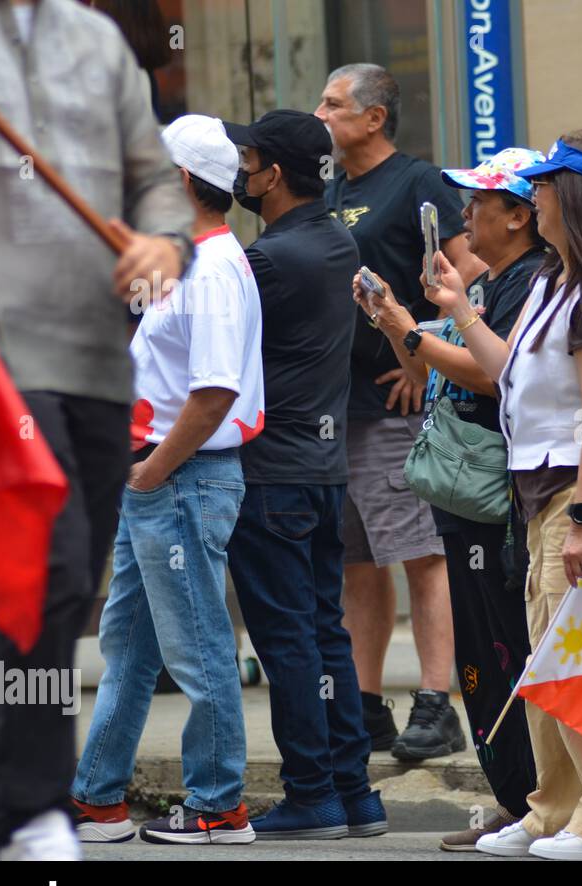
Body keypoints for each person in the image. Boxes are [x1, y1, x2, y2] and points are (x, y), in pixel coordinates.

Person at [0, 0, 192, 861]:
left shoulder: (97, 39)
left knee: (55, 580)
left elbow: (151, 177)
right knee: (47, 560)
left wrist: (164, 243)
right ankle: (33, 805)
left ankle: (2, 803)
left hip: (99, 361)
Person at [425, 132, 582, 861]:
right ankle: (556, 809)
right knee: (554, 660)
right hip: (552, 494)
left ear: (579, 194)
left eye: (548, 185)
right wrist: (457, 308)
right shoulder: (561, 281)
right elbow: (508, 375)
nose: (536, 197)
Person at [70, 115, 262, 845]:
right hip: (167, 476)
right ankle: (99, 796)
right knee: (132, 642)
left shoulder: (210, 268)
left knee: (196, 647)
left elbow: (212, 391)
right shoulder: (198, 258)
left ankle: (218, 805)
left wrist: (151, 469)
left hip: (179, 476)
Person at [359, 147, 546, 850]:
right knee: (482, 652)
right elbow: (433, 363)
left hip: (500, 499)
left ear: (520, 216)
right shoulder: (494, 280)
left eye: (479, 204)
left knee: (508, 648)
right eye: (463, 203)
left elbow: (492, 377)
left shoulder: (532, 280)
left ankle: (535, 800)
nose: (465, 217)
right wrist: (394, 318)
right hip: (464, 494)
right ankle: (516, 798)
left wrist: (417, 327)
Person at [222, 109, 385, 839]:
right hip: (319, 470)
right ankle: (354, 792)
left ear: (274, 174)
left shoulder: (267, 259)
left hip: (273, 474)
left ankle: (314, 793)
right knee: (324, 633)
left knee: (288, 639)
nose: (242, 174)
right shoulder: (336, 239)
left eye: (249, 160)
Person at [315, 63, 482, 759]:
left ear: (374, 116)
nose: (318, 114)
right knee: (358, 560)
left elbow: (468, 266)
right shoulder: (329, 191)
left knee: (422, 551)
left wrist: (421, 348)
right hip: (338, 404)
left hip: (394, 399)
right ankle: (365, 703)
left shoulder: (417, 181)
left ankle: (437, 702)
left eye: (332, 103)